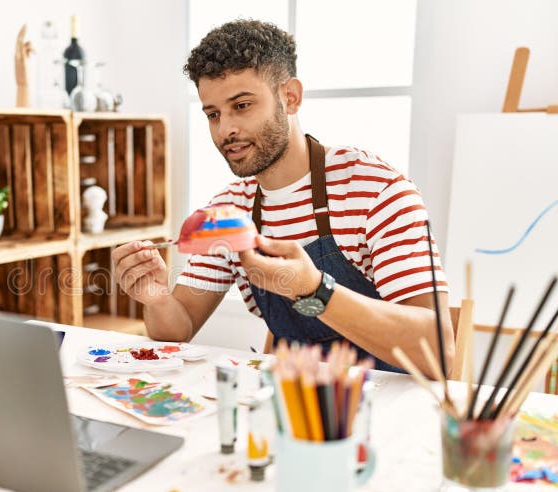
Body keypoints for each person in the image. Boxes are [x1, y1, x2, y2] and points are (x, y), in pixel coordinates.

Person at [112, 20, 454, 374]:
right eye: (213, 114)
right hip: (289, 398)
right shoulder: (230, 210)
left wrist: (315, 291)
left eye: (242, 105)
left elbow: (438, 351)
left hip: (384, 400)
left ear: (290, 97)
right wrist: (156, 299)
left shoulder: (373, 190)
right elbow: (178, 329)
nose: (225, 129)